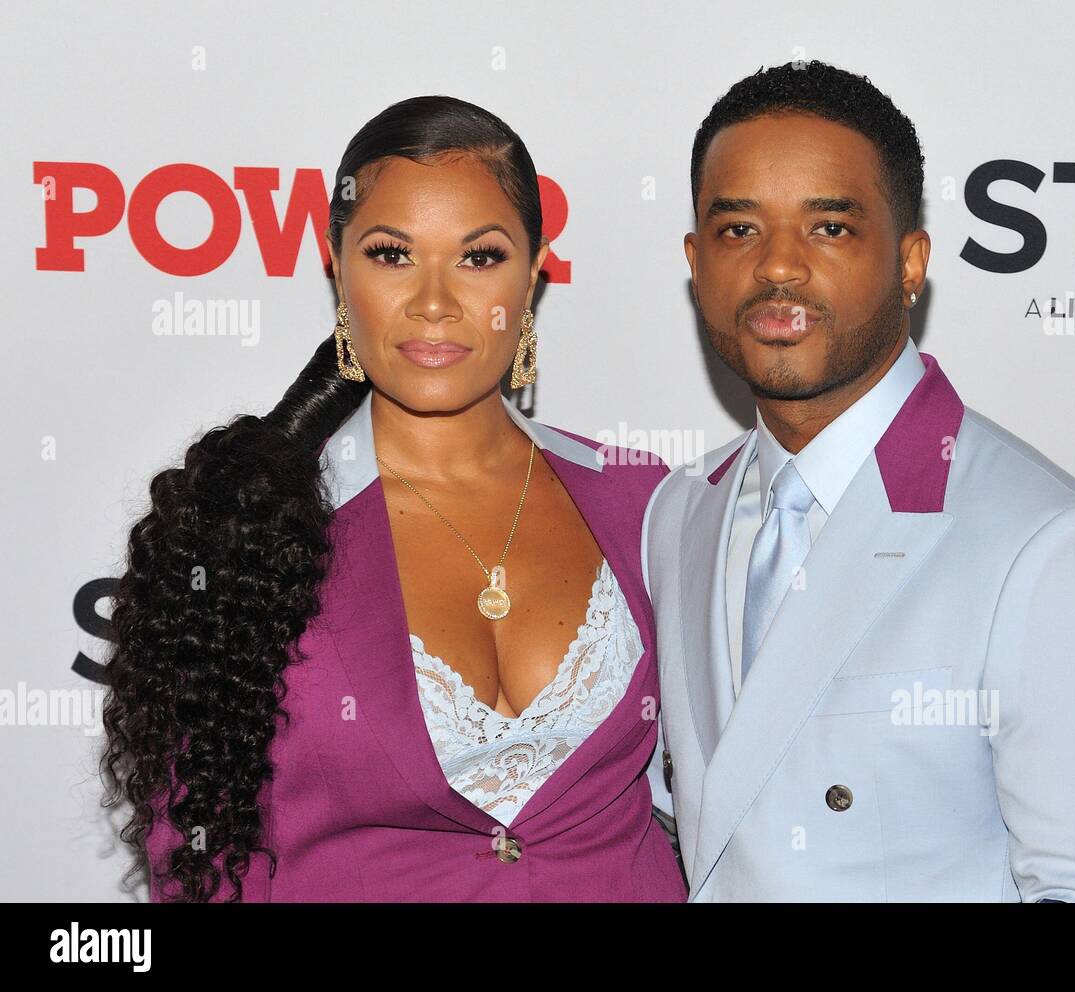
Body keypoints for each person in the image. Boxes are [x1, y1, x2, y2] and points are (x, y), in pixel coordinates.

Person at [101, 95, 687, 903]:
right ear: (336, 264)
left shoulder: (640, 497)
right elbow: (200, 861)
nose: (435, 301)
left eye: (479, 257)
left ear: (535, 270)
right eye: (391, 254)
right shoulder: (241, 527)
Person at [641, 61, 1075, 902]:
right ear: (695, 261)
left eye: (829, 228)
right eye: (737, 230)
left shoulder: (1052, 549)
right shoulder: (680, 513)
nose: (778, 267)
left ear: (910, 262)